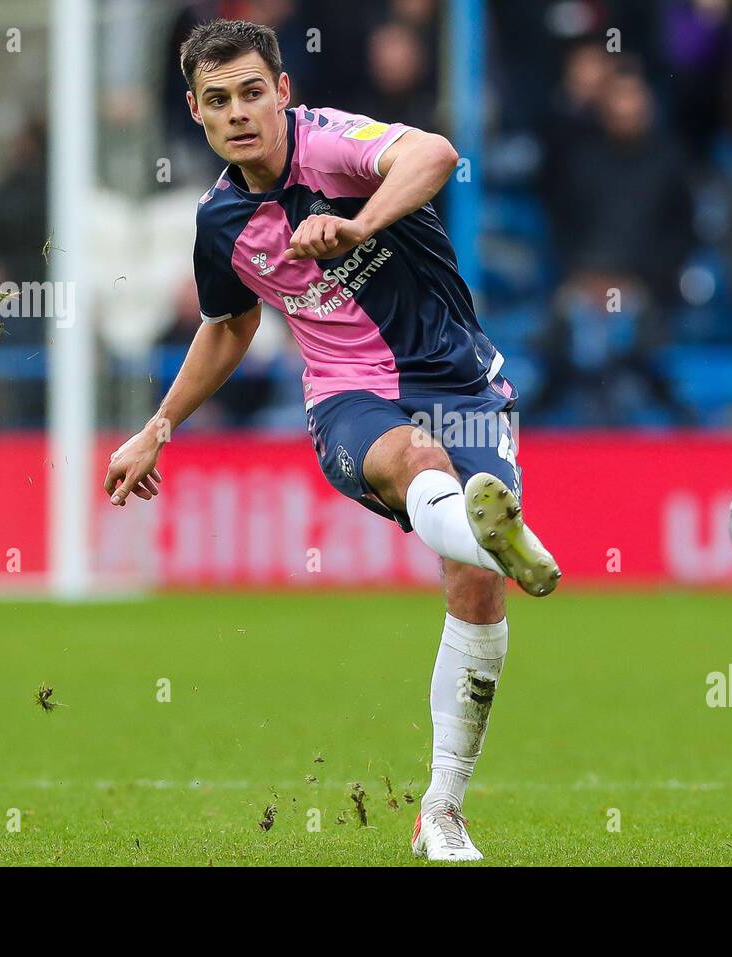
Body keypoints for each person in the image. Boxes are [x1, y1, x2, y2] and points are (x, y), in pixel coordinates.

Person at [101, 19, 561, 863]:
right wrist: (157, 426)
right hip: (350, 399)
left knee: (476, 589)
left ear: (283, 92)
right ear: (197, 115)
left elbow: (436, 155)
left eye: (251, 91)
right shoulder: (221, 223)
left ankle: (441, 808)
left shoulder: (334, 145)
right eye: (217, 101)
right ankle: (499, 535)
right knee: (419, 463)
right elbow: (228, 325)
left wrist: (359, 225)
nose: (238, 112)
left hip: (463, 384)